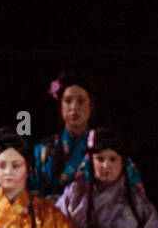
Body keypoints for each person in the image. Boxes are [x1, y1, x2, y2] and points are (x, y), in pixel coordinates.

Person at [32, 71, 144, 199]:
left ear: (91, 105)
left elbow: (134, 193)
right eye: (68, 101)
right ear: (61, 106)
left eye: (81, 101)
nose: (74, 107)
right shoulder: (43, 149)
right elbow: (31, 192)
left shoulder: (109, 145)